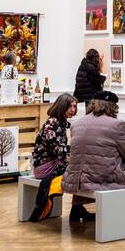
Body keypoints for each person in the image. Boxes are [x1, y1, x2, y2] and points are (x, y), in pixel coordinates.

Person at [63, 90, 125, 229]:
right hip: (102, 177)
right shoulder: (117, 125)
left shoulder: (77, 124)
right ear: (113, 107)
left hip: (75, 178)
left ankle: (76, 210)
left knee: (87, 164)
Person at [31, 92, 77, 222]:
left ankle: (78, 208)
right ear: (62, 107)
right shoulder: (53, 124)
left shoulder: (61, 123)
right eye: (70, 107)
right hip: (43, 167)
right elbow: (59, 151)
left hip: (51, 163)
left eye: (74, 106)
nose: (73, 110)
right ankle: (77, 208)